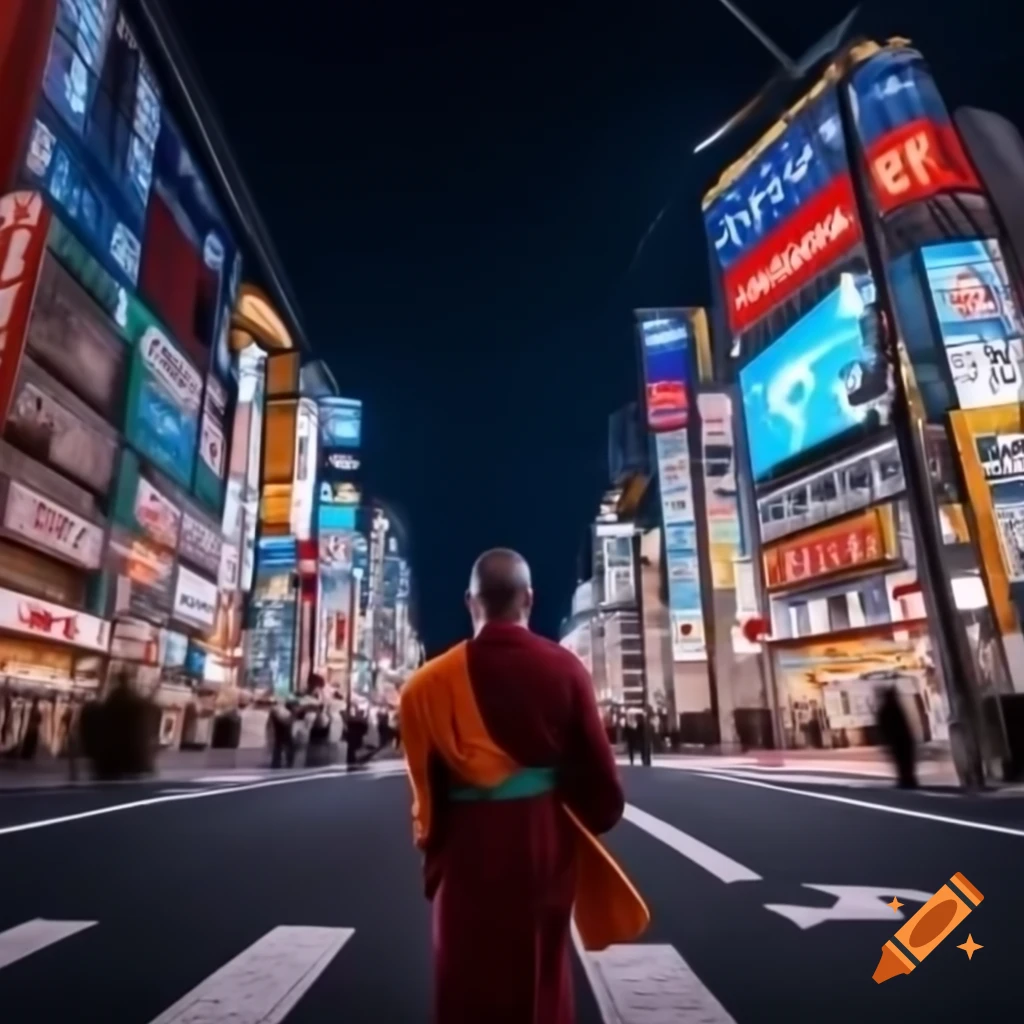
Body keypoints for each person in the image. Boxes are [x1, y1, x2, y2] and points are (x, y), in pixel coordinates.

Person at [399, 548, 648, 1024]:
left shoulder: (425, 686)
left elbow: (425, 793)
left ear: (471, 603)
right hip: (540, 844)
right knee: (540, 974)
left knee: (464, 976)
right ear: (528, 599)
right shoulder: (564, 668)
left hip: (465, 850)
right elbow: (603, 793)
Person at [876, 685, 917, 789]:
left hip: (897, 740)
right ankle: (908, 779)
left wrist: (885, 741)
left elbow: (884, 727)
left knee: (902, 761)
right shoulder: (893, 708)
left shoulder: (885, 709)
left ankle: (906, 779)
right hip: (902, 739)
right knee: (905, 761)